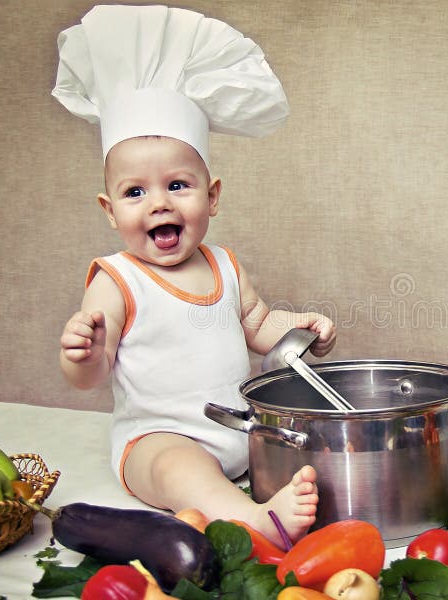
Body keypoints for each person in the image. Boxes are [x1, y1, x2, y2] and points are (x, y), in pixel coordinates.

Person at [53, 5, 332, 547]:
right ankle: (253, 520)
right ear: (110, 211)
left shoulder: (223, 264)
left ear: (213, 196)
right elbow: (91, 378)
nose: (159, 203)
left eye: (178, 185)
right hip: (157, 440)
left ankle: (441, 447)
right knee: (179, 468)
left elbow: (260, 324)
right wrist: (82, 355)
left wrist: (301, 331)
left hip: (240, 432)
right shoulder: (116, 279)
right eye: (136, 192)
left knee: (311, 430)